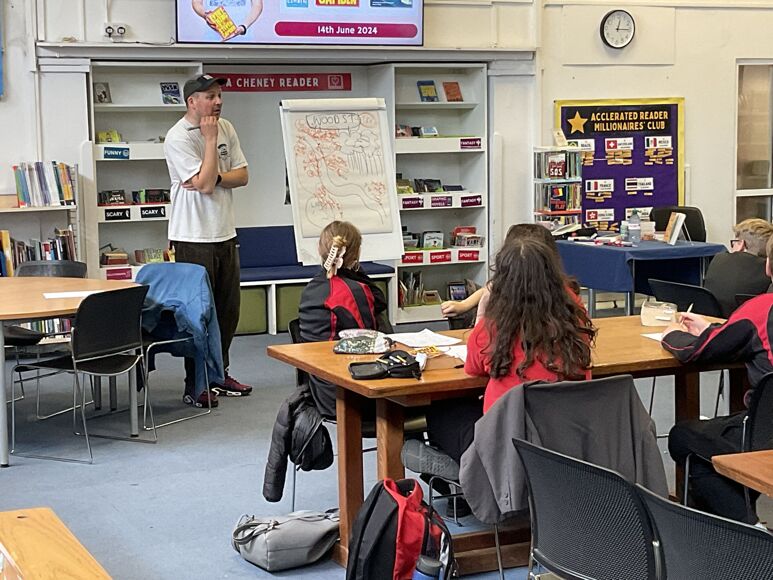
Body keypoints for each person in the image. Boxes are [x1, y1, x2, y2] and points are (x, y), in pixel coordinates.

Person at [413, 237, 595, 474]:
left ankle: (469, 474)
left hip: (506, 446)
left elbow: (472, 368)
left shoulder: (493, 329)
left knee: (443, 410)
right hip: (567, 440)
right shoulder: (575, 322)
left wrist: (483, 311)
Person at [661, 232, 773, 524]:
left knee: (685, 438)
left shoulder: (761, 309)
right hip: (762, 425)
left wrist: (671, 335)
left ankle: (747, 531)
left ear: (768, 267)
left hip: (766, 432)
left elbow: (697, 351)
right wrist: (714, 328)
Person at [164, 74, 253, 408]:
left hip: (225, 233)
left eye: (219, 95)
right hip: (192, 237)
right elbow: (201, 186)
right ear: (192, 102)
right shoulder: (177, 137)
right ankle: (196, 384)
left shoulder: (226, 127)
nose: (218, 101)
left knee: (228, 312)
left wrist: (214, 176)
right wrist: (210, 141)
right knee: (197, 315)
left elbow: (242, 176)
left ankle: (219, 375)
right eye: (210, 96)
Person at [298, 221, 392, 419]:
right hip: (349, 394)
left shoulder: (314, 286)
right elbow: (372, 338)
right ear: (356, 254)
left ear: (320, 249)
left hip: (319, 389)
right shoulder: (354, 291)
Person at [440, 223, 579, 324]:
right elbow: (489, 288)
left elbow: (481, 346)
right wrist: (464, 305)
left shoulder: (510, 294)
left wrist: (479, 317)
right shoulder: (566, 292)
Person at [703, 218, 773, 317]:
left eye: (734, 242)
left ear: (741, 244)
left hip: (710, 321)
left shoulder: (719, 259)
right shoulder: (767, 269)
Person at [192, 0, 264, 41]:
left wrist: (244, 26)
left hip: (243, 39)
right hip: (212, 37)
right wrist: (205, 14)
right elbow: (196, 3)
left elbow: (257, 5)